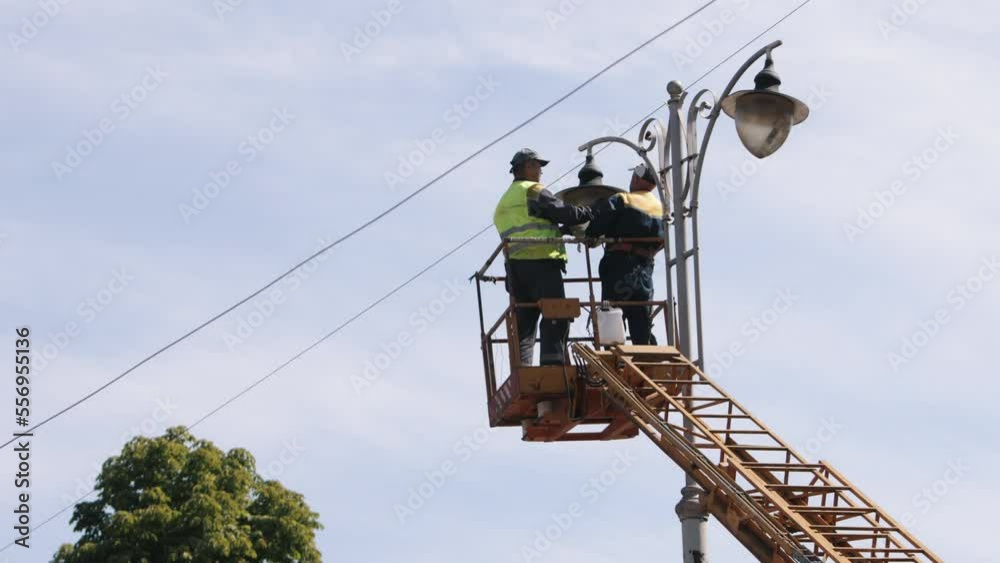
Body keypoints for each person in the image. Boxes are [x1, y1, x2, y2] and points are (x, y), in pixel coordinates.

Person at [494, 148, 596, 366]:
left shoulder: (504, 202)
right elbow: (561, 211)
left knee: (525, 325)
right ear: (526, 167)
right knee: (556, 314)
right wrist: (589, 211)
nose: (540, 170)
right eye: (537, 165)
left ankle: (523, 372)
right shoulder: (531, 190)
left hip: (515, 269)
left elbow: (533, 226)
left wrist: (560, 230)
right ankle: (553, 367)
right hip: (541, 263)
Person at [585, 162, 665, 345]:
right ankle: (644, 360)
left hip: (618, 269)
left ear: (636, 178)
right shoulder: (662, 209)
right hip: (644, 272)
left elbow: (597, 225)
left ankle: (615, 363)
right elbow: (664, 241)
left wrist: (590, 235)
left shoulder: (623, 199)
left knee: (612, 315)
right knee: (642, 320)